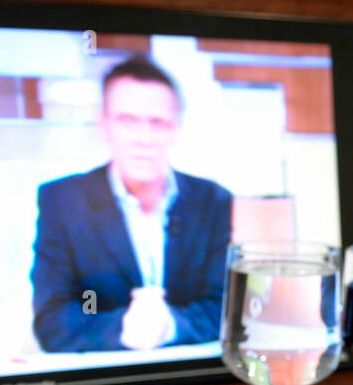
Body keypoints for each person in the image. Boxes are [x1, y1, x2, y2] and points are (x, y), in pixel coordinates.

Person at [31, 55, 233, 353]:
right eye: (127, 121)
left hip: (190, 378)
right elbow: (54, 320)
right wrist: (123, 329)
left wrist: (170, 326)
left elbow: (226, 308)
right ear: (104, 126)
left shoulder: (212, 200)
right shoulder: (63, 201)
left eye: (158, 123)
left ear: (176, 128)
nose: (144, 139)